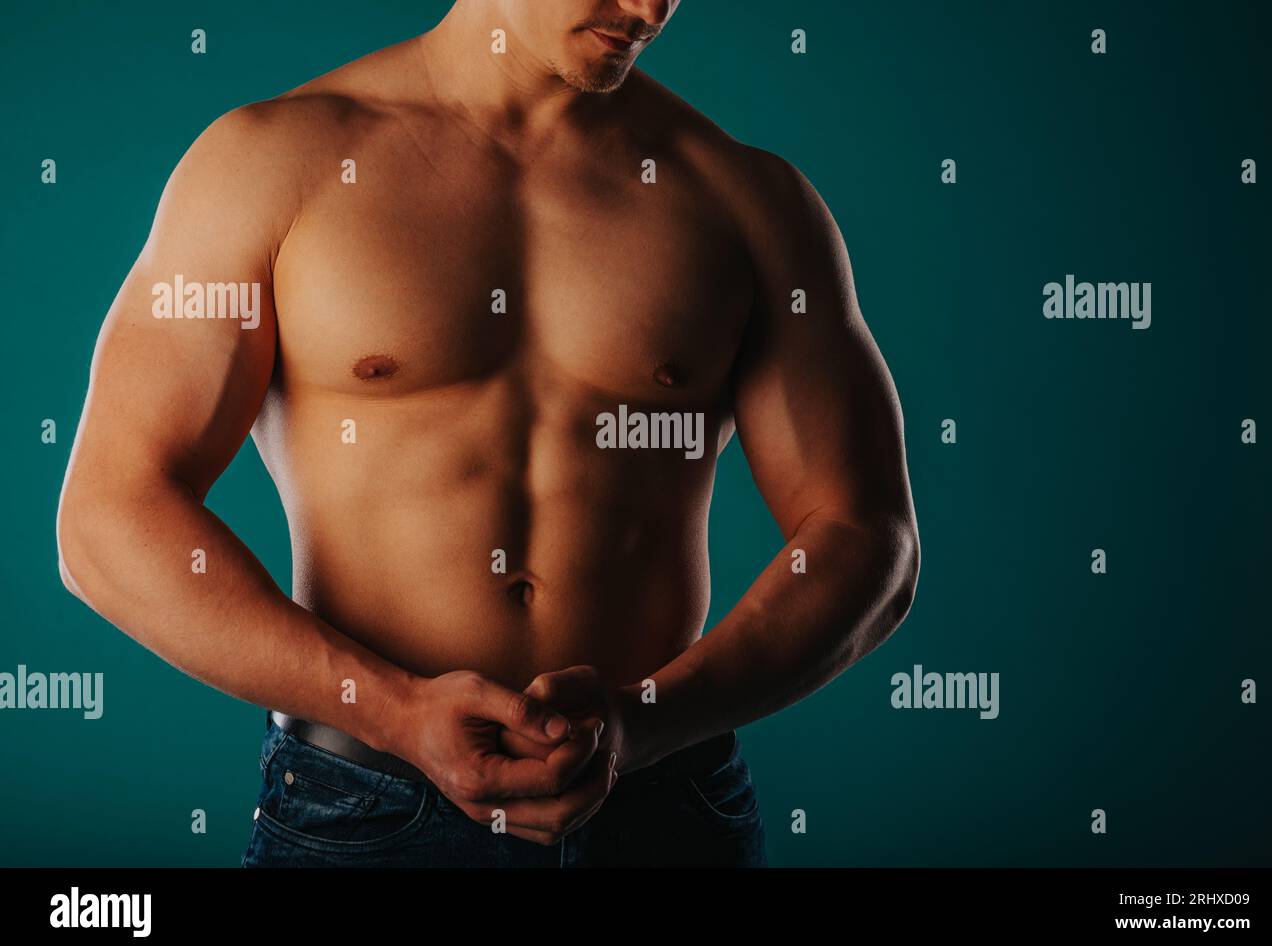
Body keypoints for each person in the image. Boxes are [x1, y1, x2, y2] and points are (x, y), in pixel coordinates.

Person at [56, 0, 920, 867]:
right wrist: (393, 710)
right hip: (366, 807)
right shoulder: (274, 165)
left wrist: (648, 721)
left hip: (662, 808)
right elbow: (107, 517)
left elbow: (867, 539)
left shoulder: (745, 200)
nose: (650, 8)